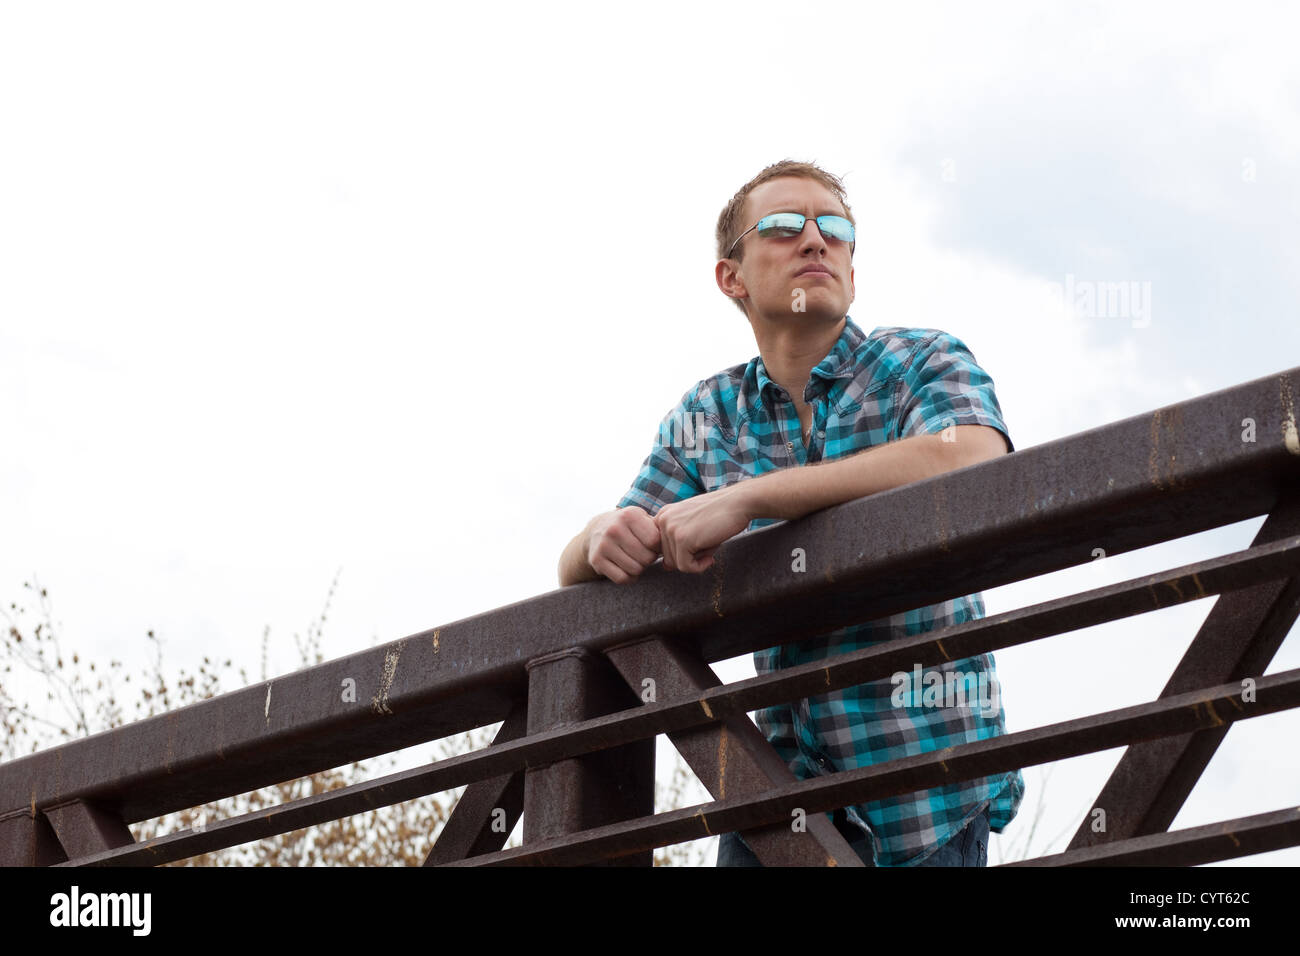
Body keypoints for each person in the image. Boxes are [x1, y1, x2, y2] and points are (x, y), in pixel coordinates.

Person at [557, 159, 1024, 866]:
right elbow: (582, 568)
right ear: (731, 277)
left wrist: (753, 497)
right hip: (771, 786)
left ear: (852, 271)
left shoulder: (920, 359)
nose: (816, 241)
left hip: (925, 789)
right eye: (782, 227)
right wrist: (600, 536)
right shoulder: (708, 415)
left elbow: (974, 460)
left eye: (834, 229)